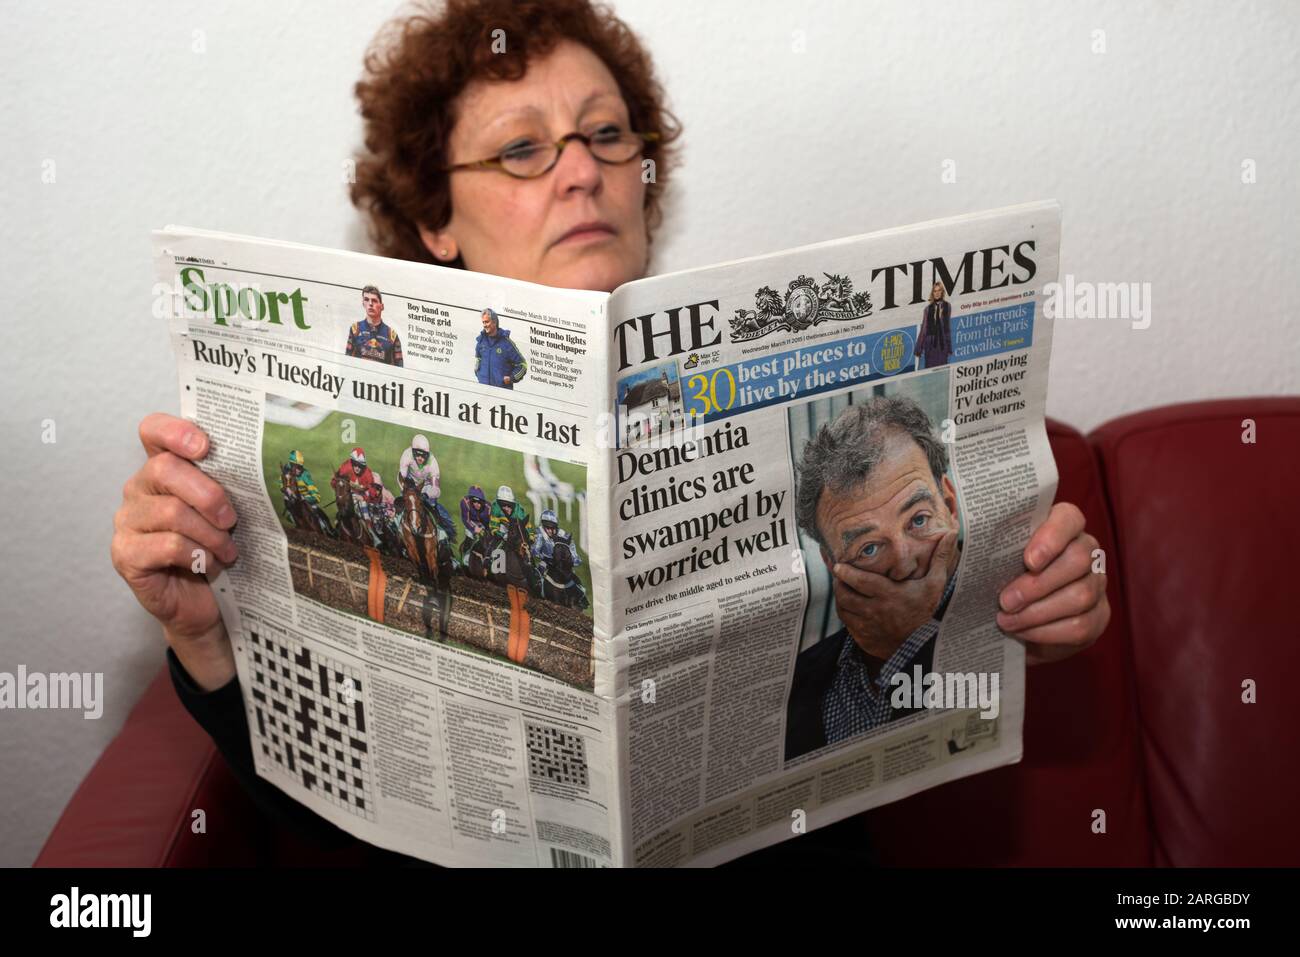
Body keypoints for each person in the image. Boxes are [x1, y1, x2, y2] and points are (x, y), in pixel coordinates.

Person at [111, 0, 1108, 868]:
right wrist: (206, 642)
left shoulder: (824, 404)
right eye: (522, 149)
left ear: (644, 177)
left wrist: (1016, 615)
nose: (581, 172)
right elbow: (339, 817)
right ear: (435, 217)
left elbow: (884, 716)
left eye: (608, 135)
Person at [785, 395, 963, 760]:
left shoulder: (1016, 611)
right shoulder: (797, 684)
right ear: (832, 563)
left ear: (949, 505)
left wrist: (915, 641)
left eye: (918, 519)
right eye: (868, 548)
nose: (904, 563)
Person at [489, 485, 535, 664]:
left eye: (509, 505)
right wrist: (499, 533)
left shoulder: (520, 511)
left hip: (519, 539)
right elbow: (492, 526)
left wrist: (527, 541)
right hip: (503, 538)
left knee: (529, 555)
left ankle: (534, 577)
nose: (506, 508)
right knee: (496, 549)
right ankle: (494, 569)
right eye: (503, 504)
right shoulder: (495, 508)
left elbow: (529, 531)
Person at [396, 433, 457, 542]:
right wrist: (406, 491)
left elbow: (437, 490)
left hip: (426, 487)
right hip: (410, 485)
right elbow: (401, 476)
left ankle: (444, 532)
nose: (420, 458)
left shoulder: (433, 463)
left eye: (423, 455)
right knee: (403, 504)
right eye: (417, 454)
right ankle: (396, 526)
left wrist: (426, 495)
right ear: (412, 452)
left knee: (433, 506)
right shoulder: (407, 454)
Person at [532, 507, 587, 609]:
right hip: (546, 562)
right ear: (543, 525)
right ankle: (534, 592)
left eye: (552, 527)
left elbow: (575, 555)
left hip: (563, 566)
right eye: (547, 527)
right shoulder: (539, 533)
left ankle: (582, 598)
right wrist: (547, 558)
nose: (550, 530)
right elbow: (535, 550)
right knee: (538, 572)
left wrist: (573, 561)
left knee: (575, 579)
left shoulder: (564, 535)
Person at [345, 285, 404, 366]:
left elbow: (400, 368)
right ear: (363, 304)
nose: (370, 304)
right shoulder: (356, 329)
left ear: (382, 306)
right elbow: (346, 361)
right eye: (366, 300)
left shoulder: (392, 335)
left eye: (374, 300)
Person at [474, 308, 528, 389]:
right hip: (483, 391)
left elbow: (522, 365)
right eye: (483, 322)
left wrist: (511, 378)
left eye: (487, 322)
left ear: (494, 322)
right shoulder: (481, 341)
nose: (485, 325)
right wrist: (479, 375)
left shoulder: (507, 344)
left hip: (501, 393)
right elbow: (478, 359)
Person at [916, 280, 953, 370]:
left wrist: (949, 347)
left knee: (942, 369)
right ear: (932, 293)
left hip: (942, 343)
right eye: (935, 291)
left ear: (942, 292)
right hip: (930, 344)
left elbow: (947, 328)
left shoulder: (947, 306)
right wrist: (919, 348)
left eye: (939, 290)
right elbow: (924, 329)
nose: (937, 293)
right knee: (930, 370)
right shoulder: (928, 309)